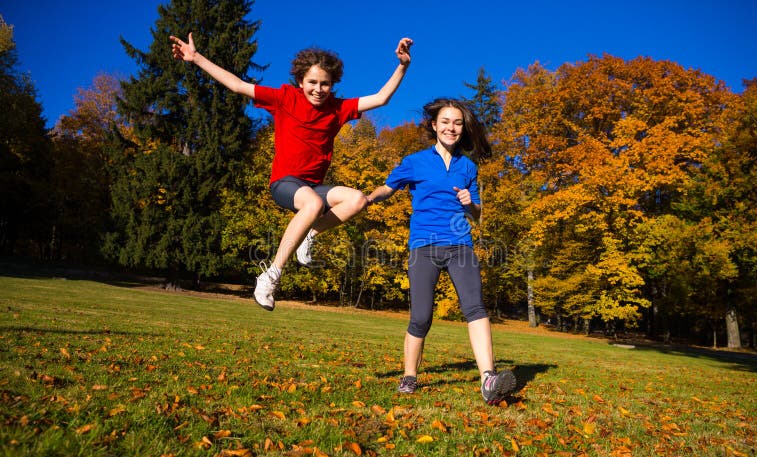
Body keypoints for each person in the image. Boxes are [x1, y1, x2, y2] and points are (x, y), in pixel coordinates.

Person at [170, 32, 413, 311]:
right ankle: (271, 274)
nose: (318, 89)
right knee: (310, 202)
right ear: (300, 81)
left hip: (312, 187)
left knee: (358, 199)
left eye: (325, 84)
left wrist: (402, 65)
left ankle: (308, 235)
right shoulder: (284, 98)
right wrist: (196, 57)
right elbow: (237, 85)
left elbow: (381, 98)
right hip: (285, 183)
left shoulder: (338, 109)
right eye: (312, 82)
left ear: (333, 85)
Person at [366, 98, 516, 405]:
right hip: (424, 246)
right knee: (421, 316)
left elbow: (476, 214)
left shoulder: (467, 166)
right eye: (446, 121)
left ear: (463, 129)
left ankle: (488, 378)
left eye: (458, 123)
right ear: (434, 126)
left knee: (475, 307)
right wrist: (366, 199)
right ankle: (409, 376)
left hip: (460, 245)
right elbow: (387, 187)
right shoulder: (415, 162)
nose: (452, 127)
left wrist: (468, 203)